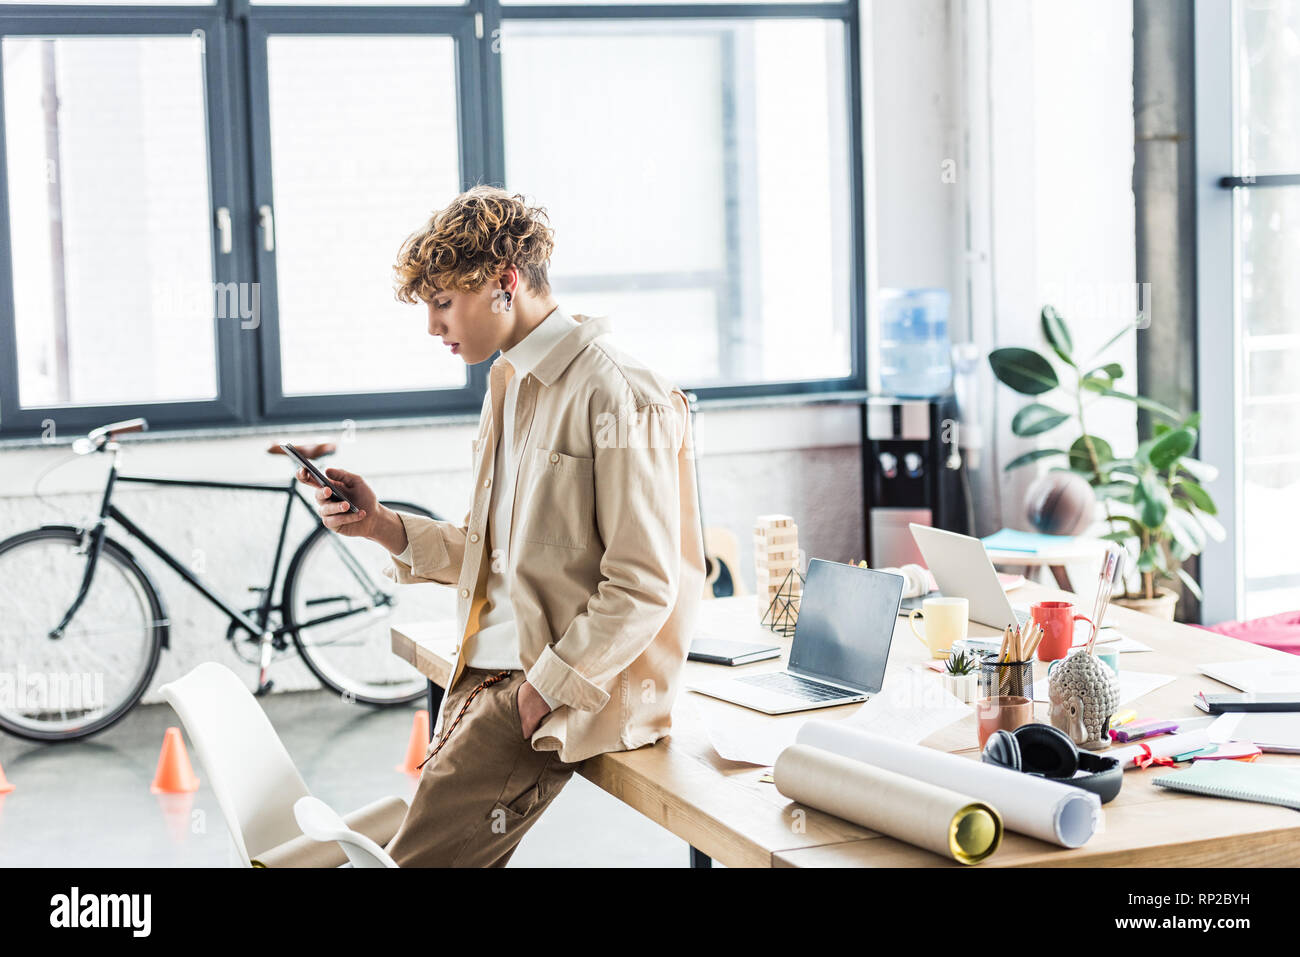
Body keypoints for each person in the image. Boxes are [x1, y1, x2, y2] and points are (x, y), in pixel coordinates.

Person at [296, 186, 705, 867]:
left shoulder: (622, 393)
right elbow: (496, 555)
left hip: (532, 691)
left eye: (443, 302)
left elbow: (643, 583)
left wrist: (542, 689)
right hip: (478, 678)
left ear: (504, 283)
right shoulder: (507, 384)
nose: (432, 326)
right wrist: (381, 525)